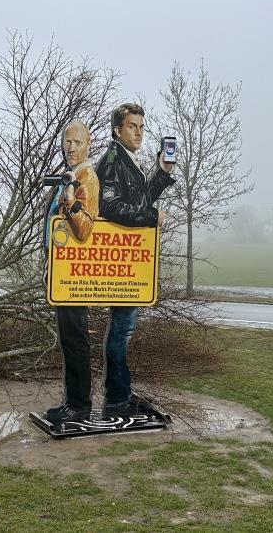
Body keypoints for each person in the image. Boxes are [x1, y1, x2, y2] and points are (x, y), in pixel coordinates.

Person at [95, 102, 175, 418]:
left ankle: (120, 395)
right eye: (132, 126)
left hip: (130, 259)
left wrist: (162, 173)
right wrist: (152, 216)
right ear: (118, 130)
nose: (139, 133)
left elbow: (138, 200)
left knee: (123, 328)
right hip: (119, 259)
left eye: (142, 127)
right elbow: (111, 207)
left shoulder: (127, 160)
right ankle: (118, 399)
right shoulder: (113, 161)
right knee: (121, 330)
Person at [44, 121, 100, 425]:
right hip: (62, 272)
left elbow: (84, 230)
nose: (71, 147)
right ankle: (72, 401)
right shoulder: (70, 175)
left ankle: (80, 405)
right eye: (67, 142)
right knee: (69, 339)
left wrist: (71, 205)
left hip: (76, 276)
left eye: (78, 142)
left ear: (89, 145)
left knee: (76, 338)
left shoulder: (87, 178)